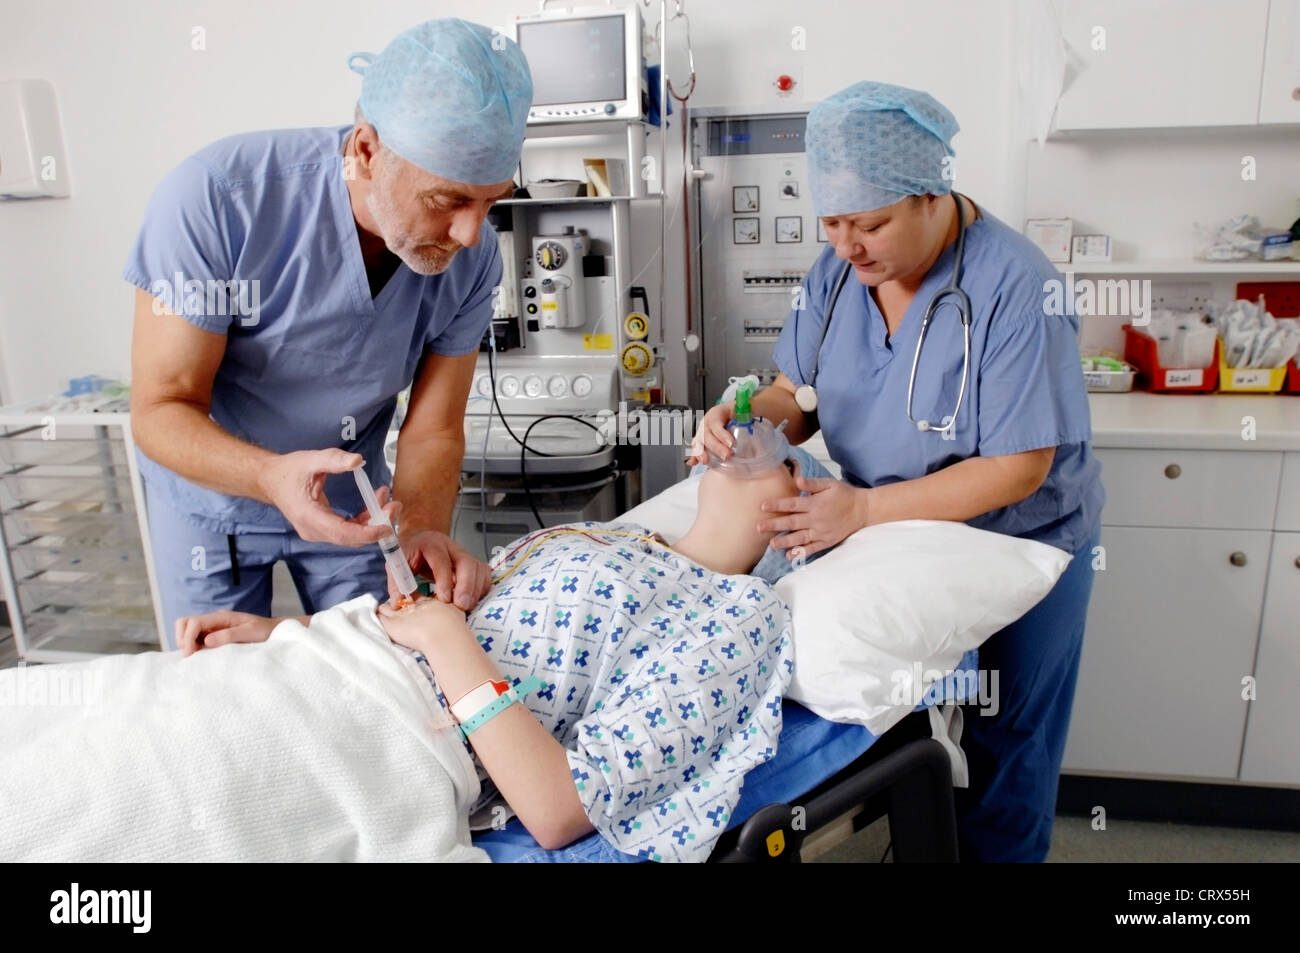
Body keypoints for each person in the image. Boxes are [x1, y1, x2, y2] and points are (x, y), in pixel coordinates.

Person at [2, 455, 806, 863]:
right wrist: (293, 634)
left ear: (795, 509)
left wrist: (448, 639)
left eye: (783, 452)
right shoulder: (613, 536)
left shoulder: (737, 617)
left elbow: (561, 807)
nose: (742, 431)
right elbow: (416, 629)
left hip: (367, 739)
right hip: (309, 672)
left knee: (72, 805)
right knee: (52, 711)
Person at [688, 81, 1105, 863]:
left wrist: (864, 513)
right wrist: (744, 421)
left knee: (1007, 738)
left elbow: (1021, 465)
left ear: (930, 194)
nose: (847, 245)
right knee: (919, 720)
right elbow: (794, 394)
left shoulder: (1017, 284)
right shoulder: (838, 272)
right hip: (892, 530)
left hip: (1022, 533)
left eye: (870, 223)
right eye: (833, 222)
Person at [124, 19, 531, 644]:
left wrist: (421, 527)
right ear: (366, 150)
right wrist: (268, 477)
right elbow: (160, 410)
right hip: (213, 502)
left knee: (373, 668)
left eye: (491, 202)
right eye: (448, 200)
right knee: (214, 678)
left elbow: (435, 426)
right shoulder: (217, 200)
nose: (471, 234)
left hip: (354, 500)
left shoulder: (472, 257)